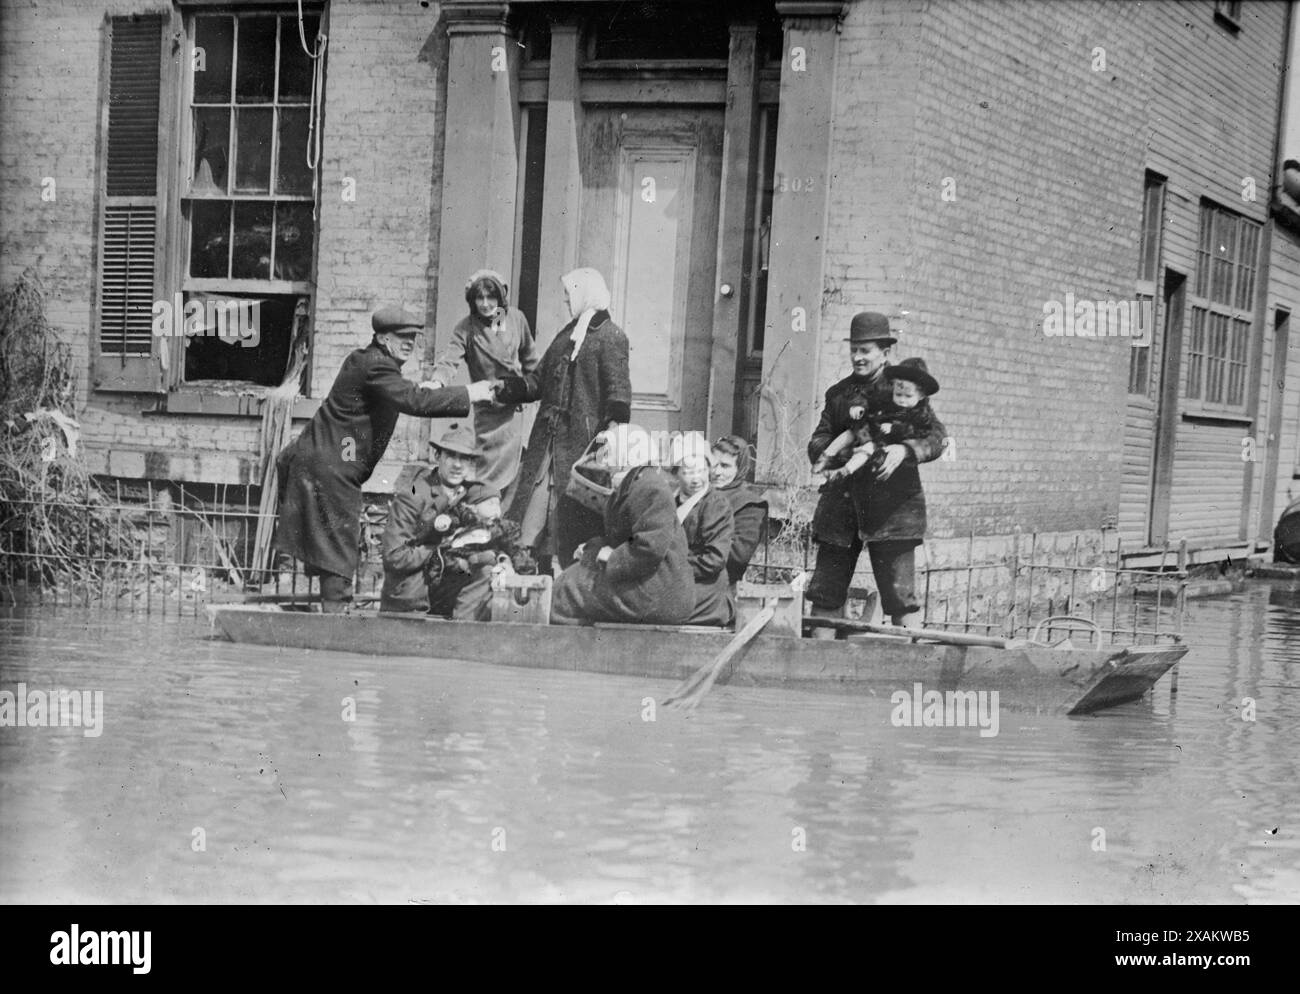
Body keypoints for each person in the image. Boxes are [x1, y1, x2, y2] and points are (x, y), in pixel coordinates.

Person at [274, 306, 496, 612]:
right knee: (339, 546)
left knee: (329, 545)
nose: (409, 343)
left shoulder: (368, 362)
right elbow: (413, 400)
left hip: (325, 457)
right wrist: (471, 393)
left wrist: (425, 389)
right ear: (381, 338)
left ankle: (325, 610)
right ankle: (335, 620)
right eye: (401, 337)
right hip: (332, 466)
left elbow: (406, 393)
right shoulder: (377, 366)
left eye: (414, 338)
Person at [805, 312, 947, 630]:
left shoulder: (905, 389)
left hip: (894, 510)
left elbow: (937, 437)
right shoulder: (839, 395)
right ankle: (820, 665)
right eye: (854, 349)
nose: (858, 357)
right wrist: (844, 452)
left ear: (884, 353)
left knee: (901, 598)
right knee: (825, 595)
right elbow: (818, 441)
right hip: (841, 508)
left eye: (865, 350)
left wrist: (905, 449)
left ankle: (905, 666)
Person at [505, 268, 632, 571]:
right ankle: (532, 572)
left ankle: (566, 577)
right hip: (547, 440)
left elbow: (618, 391)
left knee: (570, 510)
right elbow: (539, 381)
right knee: (534, 504)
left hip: (582, 442)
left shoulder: (610, 337)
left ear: (585, 293)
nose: (565, 300)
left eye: (569, 294)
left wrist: (609, 437)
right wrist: (507, 388)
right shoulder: (567, 335)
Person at [550, 425, 694, 626]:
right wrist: (592, 548)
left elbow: (649, 547)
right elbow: (625, 537)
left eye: (610, 452)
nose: (604, 459)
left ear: (628, 453)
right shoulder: (634, 483)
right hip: (647, 585)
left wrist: (609, 556)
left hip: (656, 592)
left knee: (567, 590)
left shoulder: (651, 487)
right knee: (571, 580)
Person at [424, 270, 540, 506]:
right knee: (487, 476)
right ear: (472, 301)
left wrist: (535, 389)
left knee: (518, 475)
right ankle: (477, 525)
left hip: (516, 411)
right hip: (490, 413)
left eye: (491, 298)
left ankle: (504, 531)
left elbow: (531, 362)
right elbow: (449, 360)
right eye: (480, 298)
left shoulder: (514, 319)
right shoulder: (466, 328)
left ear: (500, 299)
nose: (486, 304)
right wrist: (438, 380)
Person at [380, 423, 507, 618]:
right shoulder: (413, 495)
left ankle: (463, 630)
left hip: (449, 585)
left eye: (464, 458)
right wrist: (441, 552)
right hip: (415, 590)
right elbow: (394, 556)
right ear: (438, 457)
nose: (457, 465)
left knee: (488, 568)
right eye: (451, 456)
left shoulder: (473, 495)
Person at [811, 357, 941, 483]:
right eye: (898, 394)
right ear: (893, 387)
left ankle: (844, 471)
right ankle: (827, 455)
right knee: (852, 432)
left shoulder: (920, 413)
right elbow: (874, 406)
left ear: (921, 395)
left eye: (908, 396)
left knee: (868, 449)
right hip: (873, 433)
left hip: (886, 446)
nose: (902, 400)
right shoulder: (884, 396)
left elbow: (927, 433)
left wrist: (900, 440)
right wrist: (860, 410)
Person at [673, 434, 736, 627]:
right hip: (676, 581)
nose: (696, 479)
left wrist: (670, 569)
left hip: (705, 589)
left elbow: (714, 560)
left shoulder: (714, 504)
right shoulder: (669, 501)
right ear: (676, 473)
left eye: (701, 470)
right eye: (688, 472)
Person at [709, 435, 769, 586]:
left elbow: (737, 555)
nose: (716, 472)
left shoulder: (749, 505)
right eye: (713, 464)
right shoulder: (698, 495)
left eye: (725, 466)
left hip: (718, 587)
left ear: (740, 468)